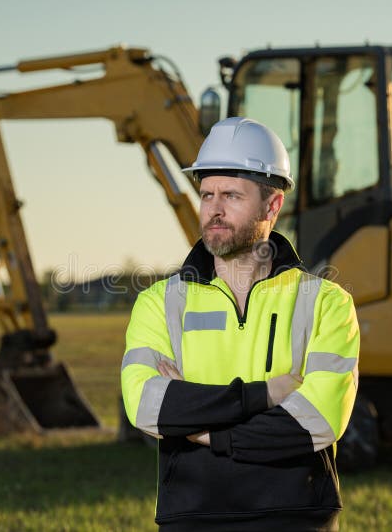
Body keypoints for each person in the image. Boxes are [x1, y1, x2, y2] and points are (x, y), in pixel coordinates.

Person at [121, 117, 359, 531]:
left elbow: (317, 420)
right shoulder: (159, 303)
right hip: (193, 517)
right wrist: (265, 394)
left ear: (272, 205)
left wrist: (210, 435)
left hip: (297, 518)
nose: (214, 208)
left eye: (231, 195)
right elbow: (149, 406)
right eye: (207, 194)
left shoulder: (326, 303)